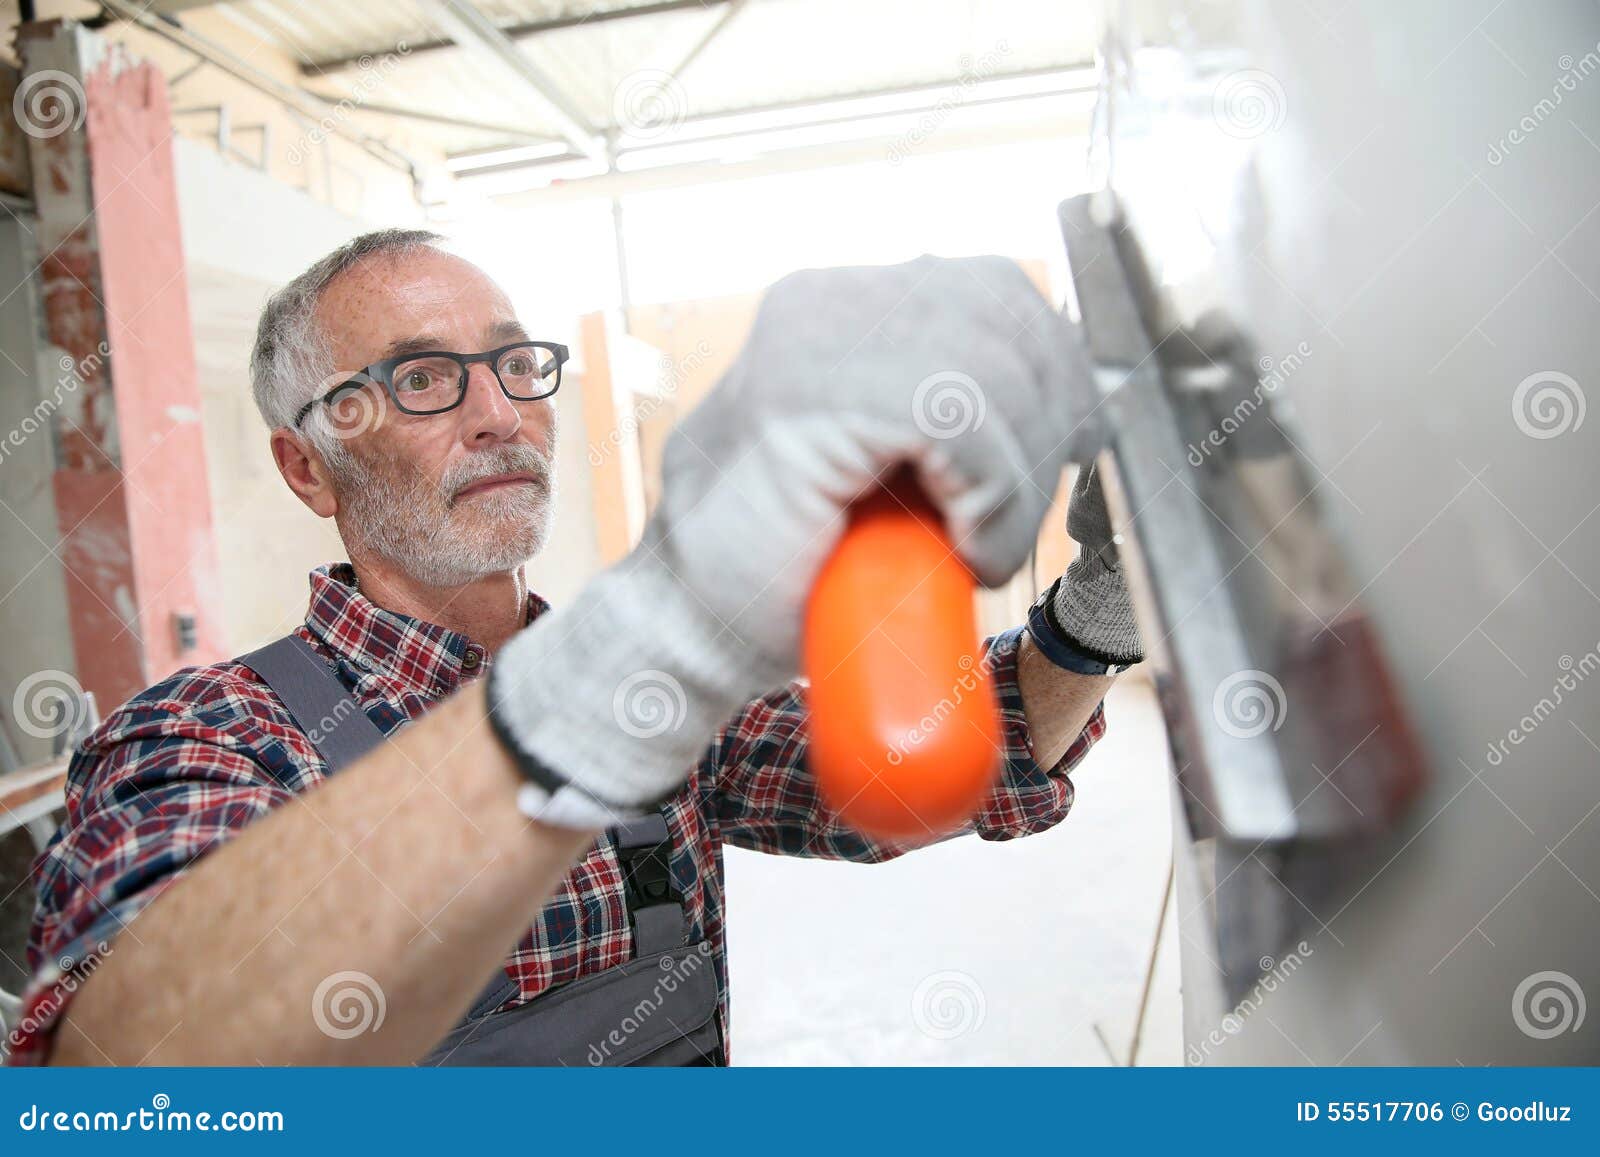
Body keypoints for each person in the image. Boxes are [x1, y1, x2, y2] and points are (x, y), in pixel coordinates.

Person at [10, 231, 1143, 1066]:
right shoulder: (209, 732)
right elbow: (125, 1071)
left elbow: (940, 769)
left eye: (515, 364)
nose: (498, 411)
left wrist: (1096, 610)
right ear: (307, 466)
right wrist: (651, 636)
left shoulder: (671, 709)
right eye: (421, 379)